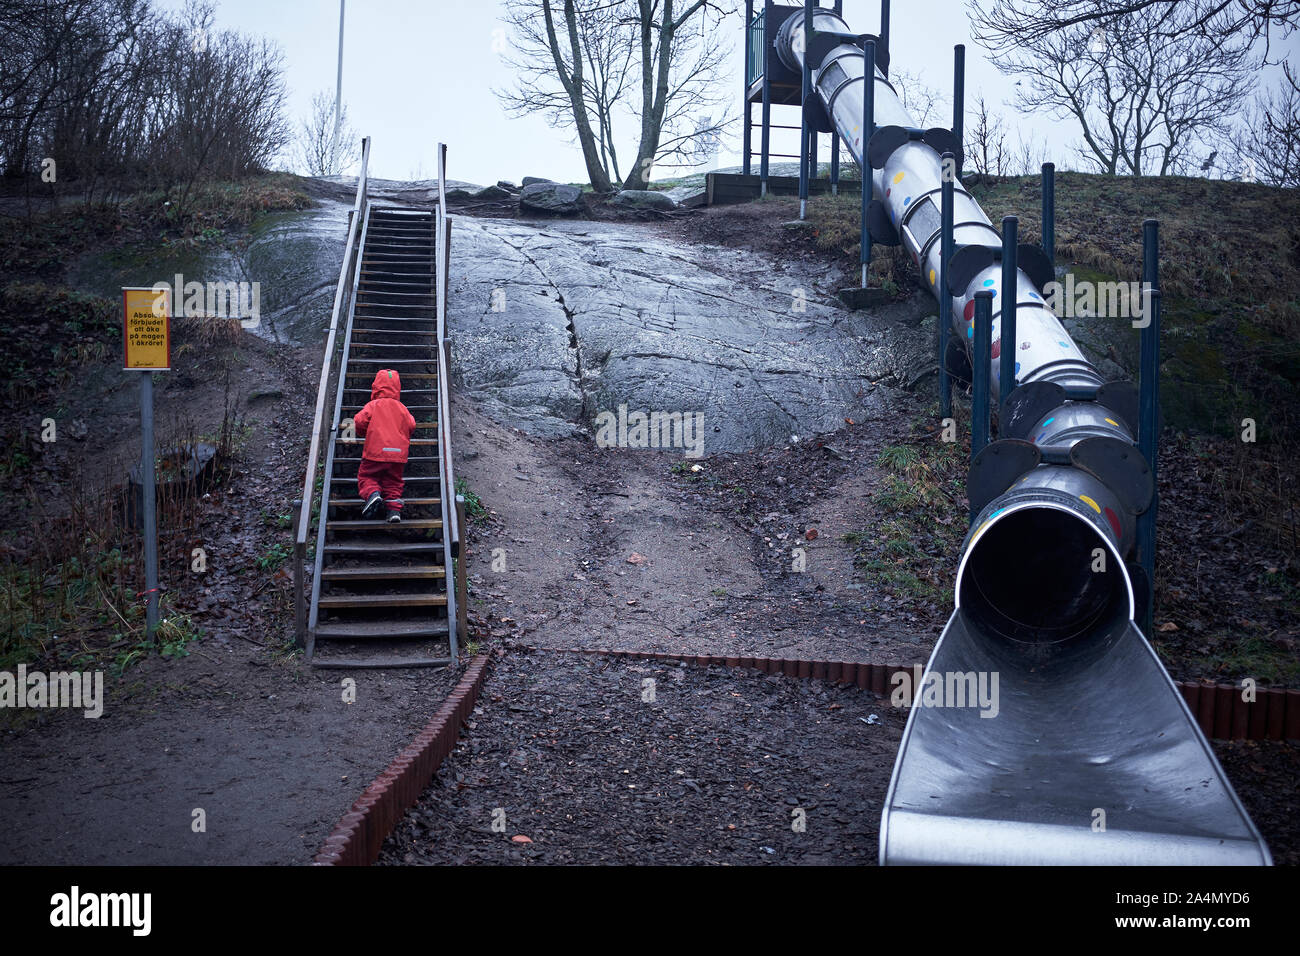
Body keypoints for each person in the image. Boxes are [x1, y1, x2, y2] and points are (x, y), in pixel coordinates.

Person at [352, 368, 416, 524]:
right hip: (398, 455)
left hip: (375, 452)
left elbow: (359, 421)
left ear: (376, 387)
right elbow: (412, 425)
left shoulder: (374, 405)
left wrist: (362, 433)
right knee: (394, 481)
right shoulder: (402, 408)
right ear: (397, 387)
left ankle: (373, 494)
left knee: (367, 476)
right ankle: (394, 511)